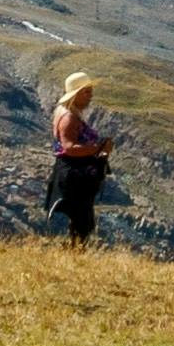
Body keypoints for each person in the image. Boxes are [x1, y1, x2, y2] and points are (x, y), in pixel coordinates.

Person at [46, 73, 110, 246]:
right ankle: (75, 252)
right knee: (80, 218)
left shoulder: (68, 114)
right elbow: (69, 148)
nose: (91, 96)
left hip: (73, 172)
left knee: (79, 218)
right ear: (76, 95)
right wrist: (98, 148)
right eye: (86, 92)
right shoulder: (69, 118)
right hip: (75, 175)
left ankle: (75, 251)